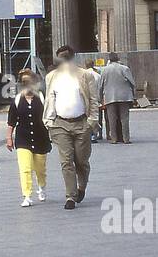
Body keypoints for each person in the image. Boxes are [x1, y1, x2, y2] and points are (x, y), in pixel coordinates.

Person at [44, 50, 98, 209]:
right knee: (66, 161)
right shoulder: (51, 77)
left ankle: (81, 187)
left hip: (81, 123)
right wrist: (49, 121)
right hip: (61, 124)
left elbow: (93, 100)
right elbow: (50, 99)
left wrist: (91, 122)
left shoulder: (85, 75)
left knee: (81, 161)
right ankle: (71, 196)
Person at [6, 69, 51, 207]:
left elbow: (49, 117)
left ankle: (41, 187)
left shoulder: (42, 98)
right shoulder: (18, 100)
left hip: (40, 137)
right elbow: (11, 121)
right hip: (23, 138)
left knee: (40, 169)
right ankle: (27, 195)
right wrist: (9, 138)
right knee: (25, 168)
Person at [98, 53, 136, 144]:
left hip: (110, 96)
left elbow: (100, 86)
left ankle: (114, 138)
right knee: (124, 118)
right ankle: (126, 138)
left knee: (112, 119)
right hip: (124, 96)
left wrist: (100, 98)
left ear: (109, 59)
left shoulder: (105, 70)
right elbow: (132, 83)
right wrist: (133, 95)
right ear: (118, 58)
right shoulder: (125, 68)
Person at [83, 60, 104, 143]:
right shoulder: (98, 76)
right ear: (93, 65)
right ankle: (98, 134)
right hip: (96, 99)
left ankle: (90, 134)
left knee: (87, 118)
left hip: (86, 99)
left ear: (85, 65)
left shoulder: (83, 75)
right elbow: (100, 88)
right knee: (98, 117)